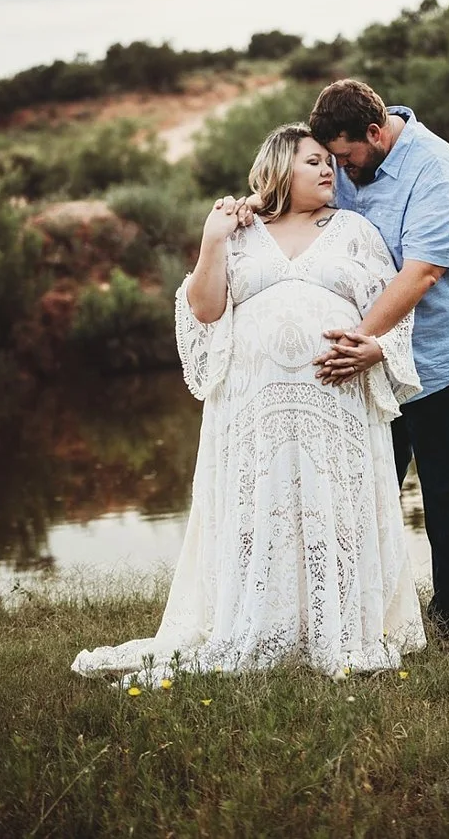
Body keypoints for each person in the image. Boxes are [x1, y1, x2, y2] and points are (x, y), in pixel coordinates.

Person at [71, 125, 424, 678]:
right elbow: (206, 310)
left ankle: (339, 626)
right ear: (281, 169)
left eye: (329, 161)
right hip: (253, 410)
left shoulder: (356, 230)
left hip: (333, 406)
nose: (329, 169)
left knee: (333, 511)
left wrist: (374, 349)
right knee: (258, 511)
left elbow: (395, 310)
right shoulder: (238, 234)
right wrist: (212, 239)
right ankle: (255, 620)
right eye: (313, 162)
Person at [308, 76, 449, 642]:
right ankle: (365, 613)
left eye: (347, 157)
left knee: (447, 484)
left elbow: (423, 271)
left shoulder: (437, 170)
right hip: (382, 344)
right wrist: (254, 205)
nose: (340, 171)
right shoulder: (353, 160)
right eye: (334, 159)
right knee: (371, 477)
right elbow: (306, 201)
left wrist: (357, 340)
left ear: (375, 133)